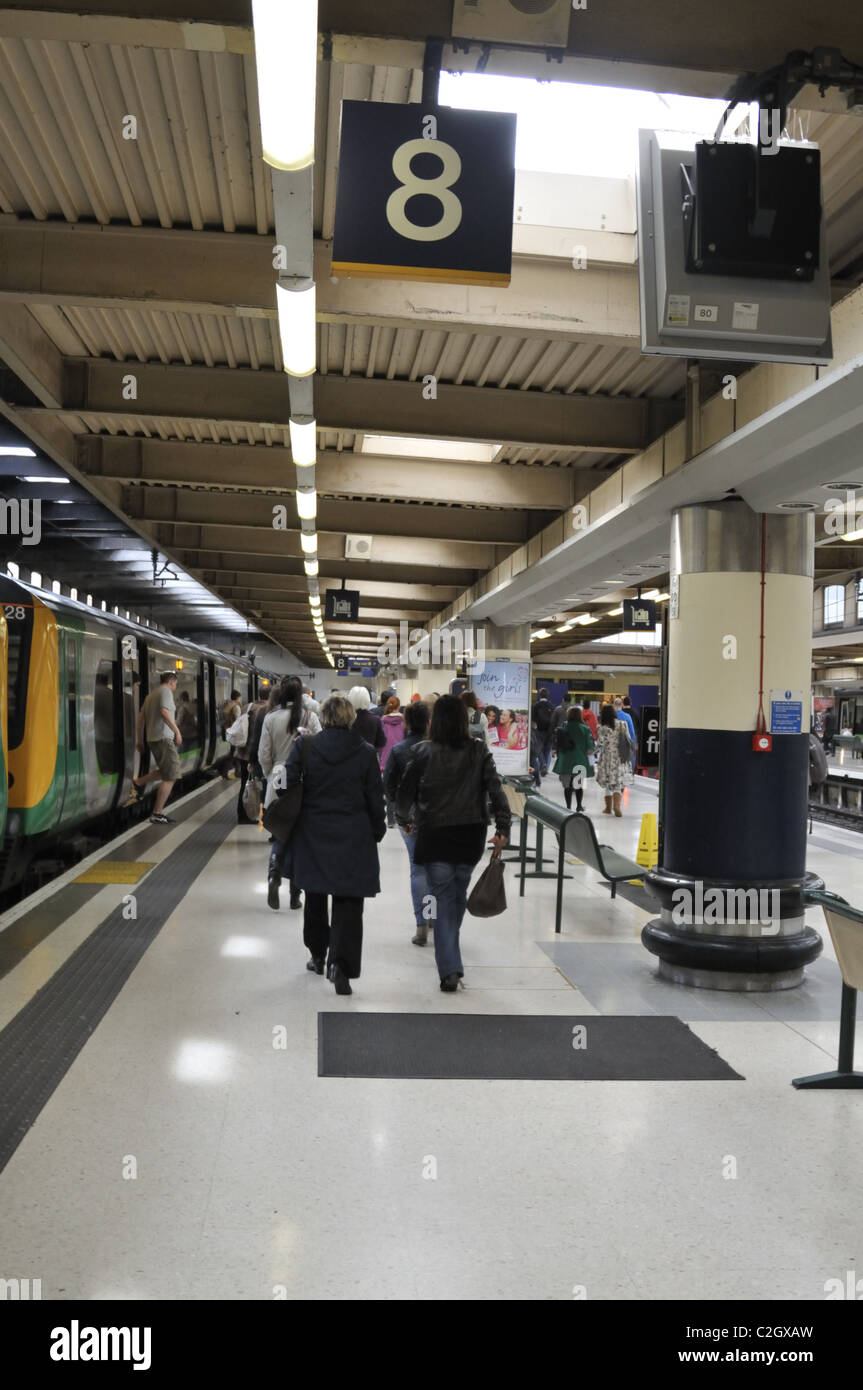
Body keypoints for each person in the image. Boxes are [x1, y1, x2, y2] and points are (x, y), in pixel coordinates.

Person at [397, 695, 510, 992]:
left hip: (435, 836)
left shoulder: (422, 752)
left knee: (447, 899)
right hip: (470, 836)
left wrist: (405, 820)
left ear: (436, 721)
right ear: (463, 720)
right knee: (455, 897)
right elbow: (497, 792)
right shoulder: (478, 751)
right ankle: (451, 962)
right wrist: (502, 828)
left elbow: (404, 793)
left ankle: (448, 968)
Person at [278, 694, 386, 995]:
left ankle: (317, 954)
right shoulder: (365, 753)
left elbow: (284, 782)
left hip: (313, 834)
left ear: (323, 717)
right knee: (349, 903)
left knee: (315, 896)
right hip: (354, 836)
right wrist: (376, 830)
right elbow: (375, 799)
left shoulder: (306, 746)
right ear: (351, 718)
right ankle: (341, 967)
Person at [261, 677, 321, 910]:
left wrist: (271, 775)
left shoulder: (271, 718)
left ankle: (274, 873)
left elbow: (263, 755)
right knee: (300, 838)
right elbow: (320, 748)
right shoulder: (310, 717)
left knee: (281, 833)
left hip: (278, 775)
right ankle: (295, 895)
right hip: (305, 781)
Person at [384, 700, 431, 945]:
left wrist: (399, 809)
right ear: (429, 722)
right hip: (436, 816)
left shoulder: (399, 750)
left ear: (408, 723)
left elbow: (388, 785)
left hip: (410, 818)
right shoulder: (437, 749)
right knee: (436, 867)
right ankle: (433, 916)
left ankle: (421, 925)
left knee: (418, 868)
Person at [132, 671, 182, 825]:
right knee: (171, 775)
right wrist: (177, 732)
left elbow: (141, 718)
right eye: (176, 684)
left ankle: (138, 783)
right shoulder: (165, 692)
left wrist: (140, 740)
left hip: (153, 739)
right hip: (164, 739)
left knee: (165, 771)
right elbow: (164, 712)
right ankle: (157, 813)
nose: (175, 687)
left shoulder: (150, 695)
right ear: (172, 681)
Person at [236, 690, 269, 825]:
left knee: (245, 783)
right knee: (260, 786)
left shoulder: (247, 707)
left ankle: (242, 815)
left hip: (243, 752)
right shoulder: (267, 710)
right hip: (255, 754)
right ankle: (253, 814)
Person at [553, 706, 595, 810]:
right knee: (578, 785)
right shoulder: (585, 728)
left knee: (567, 786)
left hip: (565, 760)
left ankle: (568, 807)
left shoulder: (564, 726)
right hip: (579, 760)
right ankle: (579, 806)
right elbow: (590, 749)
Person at [595, 702, 629, 816]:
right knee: (617, 782)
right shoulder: (622, 724)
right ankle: (617, 806)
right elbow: (627, 739)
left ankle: (608, 808)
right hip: (619, 756)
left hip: (606, 757)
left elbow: (599, 743)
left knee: (608, 782)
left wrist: (591, 752)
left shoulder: (601, 728)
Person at [379, 696, 405, 826]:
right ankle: (400, 816)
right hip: (401, 757)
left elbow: (380, 741)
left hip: (386, 759)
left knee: (389, 789)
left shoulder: (382, 721)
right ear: (398, 706)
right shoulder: (404, 721)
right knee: (402, 787)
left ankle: (390, 820)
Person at [348, 685, 386, 753]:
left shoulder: (346, 720)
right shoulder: (375, 719)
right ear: (367, 699)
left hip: (349, 758)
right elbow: (382, 742)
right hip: (369, 757)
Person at [531, 688, 554, 774]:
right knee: (547, 750)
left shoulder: (536, 705)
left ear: (539, 695)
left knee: (538, 749)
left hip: (538, 731)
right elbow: (553, 720)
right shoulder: (551, 706)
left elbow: (532, 719)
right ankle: (545, 768)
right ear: (547, 696)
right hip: (549, 731)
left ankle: (543, 763)